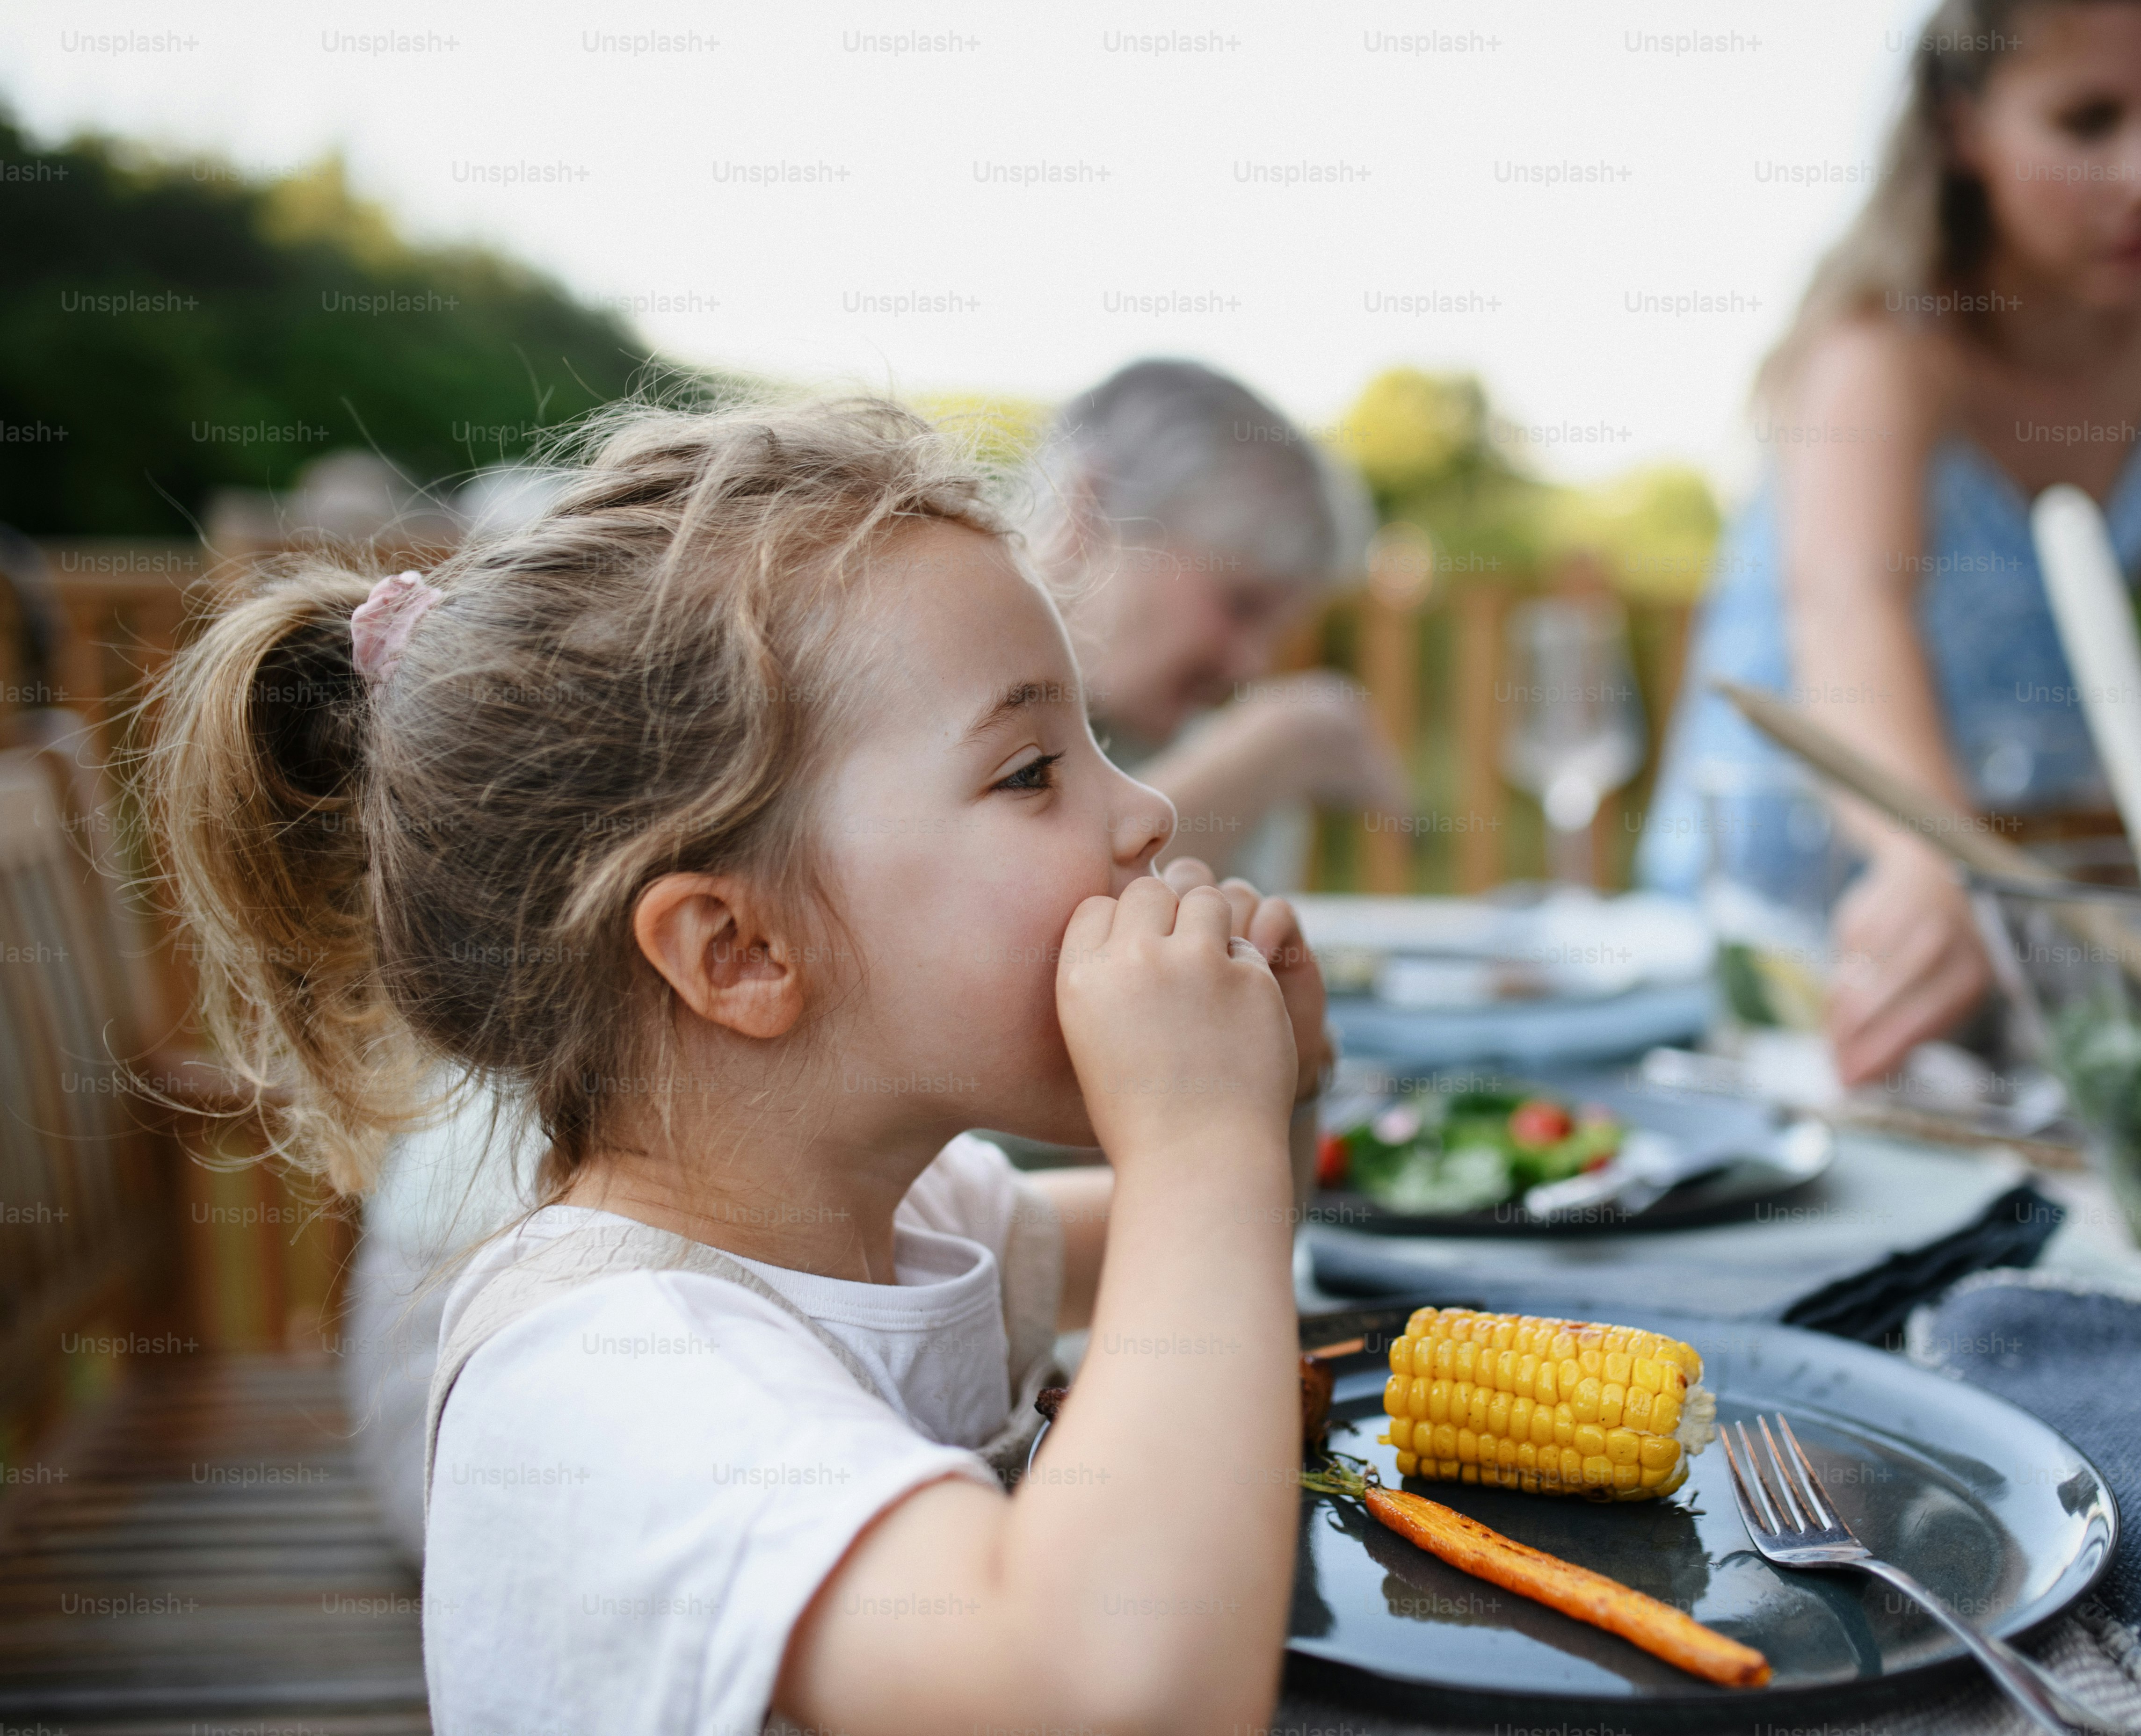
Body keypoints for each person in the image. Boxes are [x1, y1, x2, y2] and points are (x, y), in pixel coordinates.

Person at [149, 396, 1328, 1735]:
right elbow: (1108, 1693)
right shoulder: (610, 1380)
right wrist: (1199, 1146)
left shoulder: (903, 1219)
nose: (1151, 810)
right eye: (1030, 772)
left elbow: (1216, 1252)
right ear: (738, 952)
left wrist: (1265, 1107)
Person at [1642, 0, 2141, 1086]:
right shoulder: (1884, 341)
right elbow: (1849, 607)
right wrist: (1929, 856)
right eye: (2086, 121)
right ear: (1963, 124)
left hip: (2007, 874)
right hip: (1814, 882)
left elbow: (2121, 497)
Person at [1028, 358, 1408, 888]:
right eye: (1241, 604)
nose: (1252, 666)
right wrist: (1272, 750)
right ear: (1088, 511)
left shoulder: (1190, 738)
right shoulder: (952, 693)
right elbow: (1031, 908)